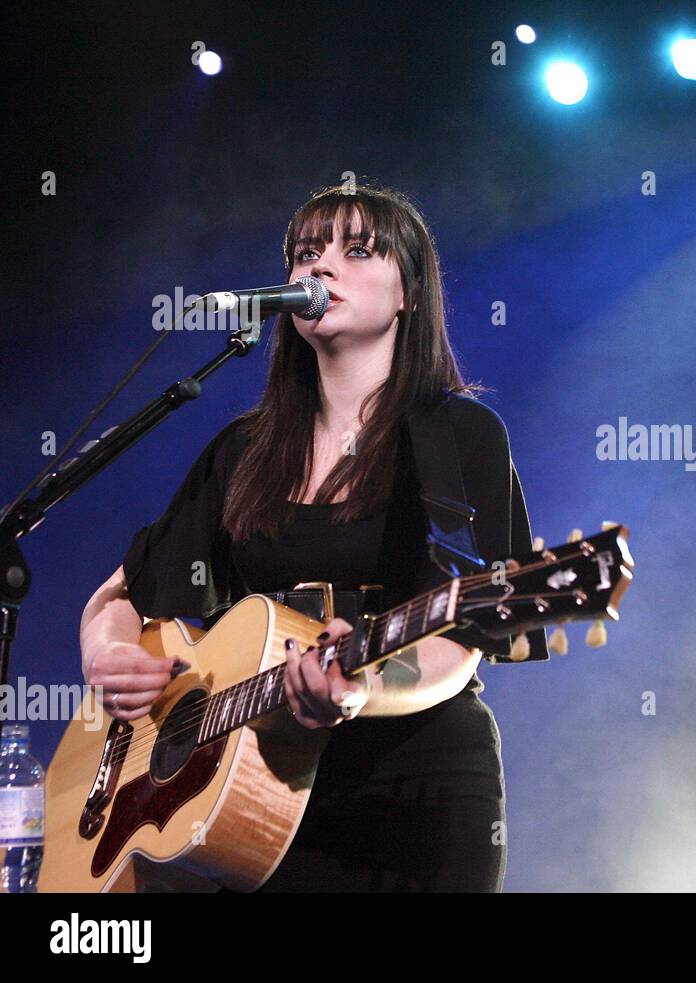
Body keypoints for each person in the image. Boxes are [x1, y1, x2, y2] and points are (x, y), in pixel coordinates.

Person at [78, 181, 546, 891]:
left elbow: (462, 629)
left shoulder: (459, 437)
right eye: (305, 253)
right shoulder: (243, 451)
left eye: (357, 251)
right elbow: (120, 595)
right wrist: (109, 651)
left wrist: (362, 690)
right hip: (242, 792)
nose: (319, 269)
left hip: (414, 792)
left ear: (408, 296)